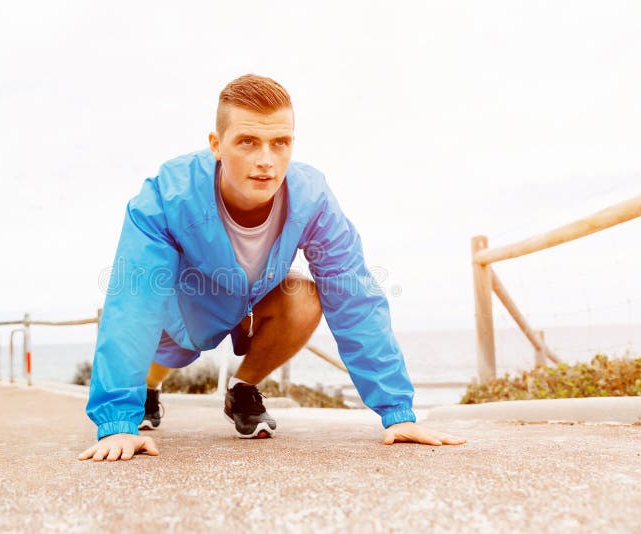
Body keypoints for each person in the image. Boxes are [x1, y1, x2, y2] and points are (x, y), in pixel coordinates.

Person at [78, 74, 466, 462]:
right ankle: (148, 392)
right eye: (247, 142)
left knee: (304, 298)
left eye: (280, 143)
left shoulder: (311, 196)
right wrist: (117, 424)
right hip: (186, 308)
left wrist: (397, 412)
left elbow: (354, 296)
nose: (266, 160)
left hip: (256, 301)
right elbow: (134, 301)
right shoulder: (167, 195)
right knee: (170, 352)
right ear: (216, 144)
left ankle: (243, 389)